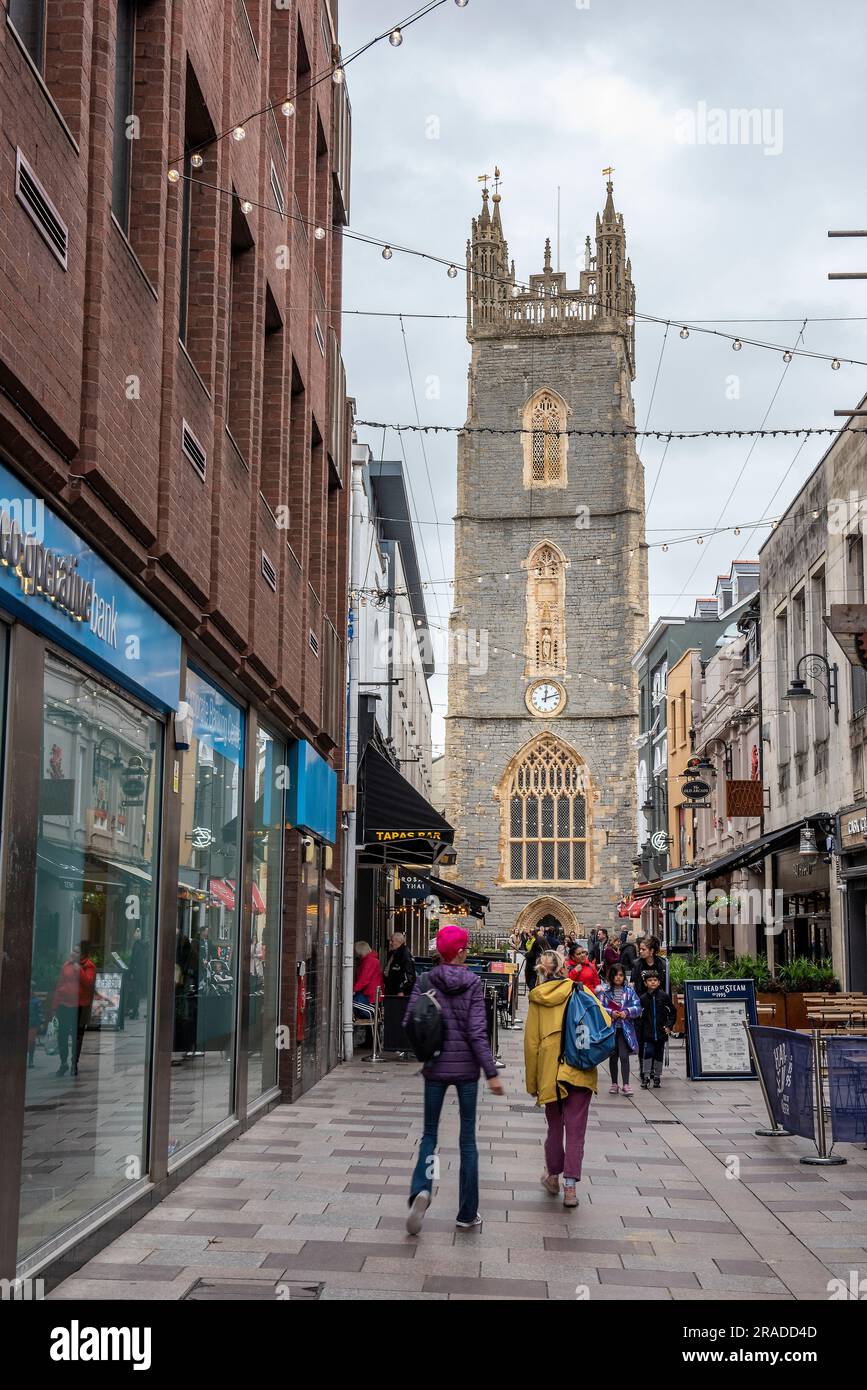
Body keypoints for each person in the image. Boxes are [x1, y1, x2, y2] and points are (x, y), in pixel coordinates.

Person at [404, 925, 503, 1235]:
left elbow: (409, 1021)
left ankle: (423, 1189)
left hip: (435, 1067)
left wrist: (426, 1052)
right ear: (461, 952)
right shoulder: (473, 982)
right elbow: (476, 1032)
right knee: (467, 1141)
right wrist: (491, 1072)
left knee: (430, 1134)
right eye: (466, 947)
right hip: (466, 1072)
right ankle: (466, 1213)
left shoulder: (424, 979)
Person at [524, 950, 604, 1208]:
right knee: (576, 1130)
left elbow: (531, 1044)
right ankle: (570, 1189)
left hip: (550, 1071)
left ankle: (553, 1176)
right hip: (579, 1065)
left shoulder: (537, 999)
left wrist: (533, 1083)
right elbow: (601, 1022)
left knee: (555, 1127)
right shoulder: (580, 990)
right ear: (563, 967)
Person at [51, 942, 96, 1077]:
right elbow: (60, 985)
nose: (73, 953)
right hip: (64, 1005)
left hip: (80, 1006)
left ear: (83, 954)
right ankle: (63, 1062)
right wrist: (55, 1005)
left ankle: (74, 1063)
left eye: (76, 952)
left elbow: (88, 983)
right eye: (73, 951)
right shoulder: (66, 965)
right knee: (62, 1035)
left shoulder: (89, 966)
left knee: (77, 1036)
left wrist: (79, 970)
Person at [597, 963, 641, 1095]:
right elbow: (599, 1007)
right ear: (611, 976)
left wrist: (627, 1012)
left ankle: (626, 1084)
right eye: (615, 975)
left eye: (621, 975)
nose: (618, 977)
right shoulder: (604, 992)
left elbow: (637, 1007)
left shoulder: (629, 992)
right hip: (611, 1029)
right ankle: (614, 1083)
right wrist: (611, 1012)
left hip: (624, 1029)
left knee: (624, 1056)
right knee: (613, 1056)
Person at [637, 969, 676, 1088]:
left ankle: (657, 1077)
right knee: (647, 1053)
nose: (652, 982)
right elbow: (640, 1016)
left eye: (655, 980)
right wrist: (639, 1031)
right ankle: (646, 1076)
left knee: (659, 1055)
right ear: (645, 983)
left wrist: (669, 1026)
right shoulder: (643, 998)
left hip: (661, 1032)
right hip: (647, 1033)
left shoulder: (664, 996)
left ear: (659, 982)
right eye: (650, 980)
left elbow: (673, 1012)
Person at [353, 941, 383, 1017]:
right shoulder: (370, 960)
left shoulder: (369, 961)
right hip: (371, 994)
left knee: (369, 1018)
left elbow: (364, 979)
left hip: (369, 995)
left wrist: (354, 989)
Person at [383, 931, 416, 998]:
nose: (390, 943)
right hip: (391, 989)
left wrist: (401, 990)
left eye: (392, 941)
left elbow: (408, 974)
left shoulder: (404, 954)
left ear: (399, 942)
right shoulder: (393, 953)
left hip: (398, 992)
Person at [126, 926, 147, 1020]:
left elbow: (134, 960)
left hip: (136, 972)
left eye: (137, 932)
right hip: (140, 972)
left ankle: (135, 1012)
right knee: (137, 992)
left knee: (135, 992)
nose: (135, 934)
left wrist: (131, 970)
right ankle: (135, 1011)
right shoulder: (142, 945)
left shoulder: (137, 945)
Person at [523, 926, 546, 992]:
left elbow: (534, 952)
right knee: (532, 980)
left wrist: (527, 955)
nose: (528, 934)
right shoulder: (532, 941)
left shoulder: (537, 941)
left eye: (529, 933)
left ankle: (532, 990)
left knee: (532, 980)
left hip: (534, 965)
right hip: (533, 964)